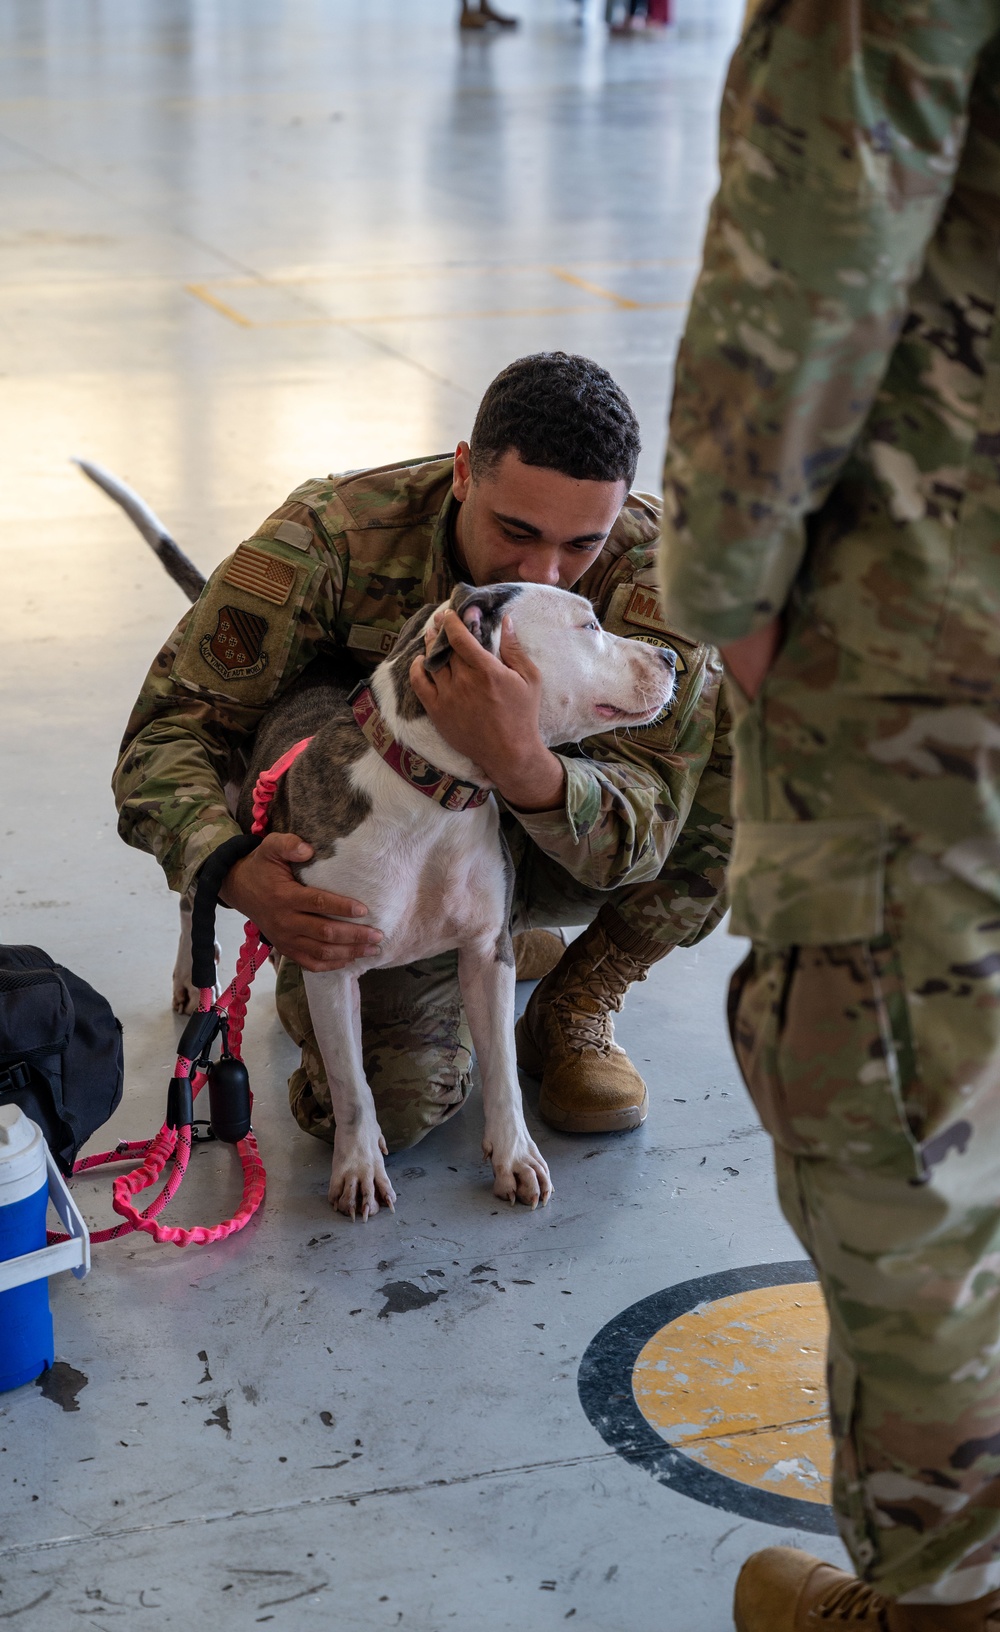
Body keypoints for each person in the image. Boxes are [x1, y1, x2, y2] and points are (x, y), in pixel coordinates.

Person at [658, 2, 1000, 1627]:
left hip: (939, 619)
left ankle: (946, 1598)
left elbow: (827, 195)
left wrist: (727, 575)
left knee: (894, 1100)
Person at [115, 352, 731, 1156]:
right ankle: (465, 933)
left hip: (541, 832)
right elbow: (166, 734)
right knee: (391, 1110)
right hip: (371, 838)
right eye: (516, 532)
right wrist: (230, 864)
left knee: (757, 755)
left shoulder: (658, 573)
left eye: (583, 543)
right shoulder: (334, 533)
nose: (542, 572)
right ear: (466, 472)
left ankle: (574, 999)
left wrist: (520, 760)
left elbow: (645, 832)